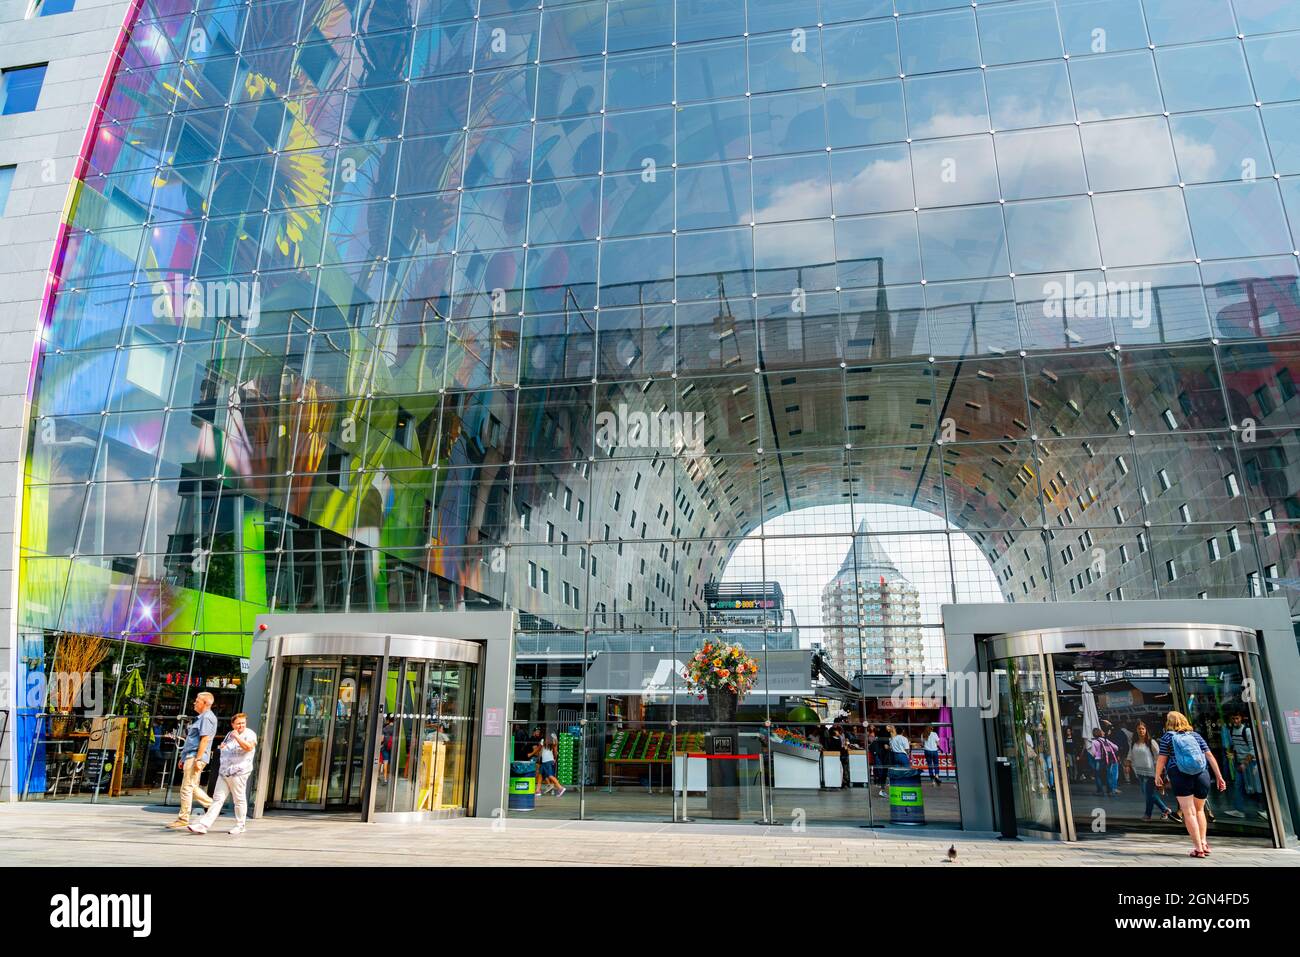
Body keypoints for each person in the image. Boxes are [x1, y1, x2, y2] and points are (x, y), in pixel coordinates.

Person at [1154, 710, 1227, 858]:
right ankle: (1204, 843)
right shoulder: (1195, 735)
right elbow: (1210, 756)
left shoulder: (1168, 737)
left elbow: (1162, 759)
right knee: (1200, 811)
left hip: (1180, 775)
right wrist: (1219, 777)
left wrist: (1157, 775)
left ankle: (1198, 849)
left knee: (1188, 812)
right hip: (1202, 774)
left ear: (1169, 723)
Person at [188, 713, 258, 836]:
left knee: (239, 799)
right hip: (224, 772)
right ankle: (203, 825)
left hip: (239, 773)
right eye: (238, 723)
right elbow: (225, 747)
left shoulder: (250, 734)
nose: (241, 725)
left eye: (243, 723)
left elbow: (248, 748)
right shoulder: (229, 734)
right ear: (233, 724)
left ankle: (240, 825)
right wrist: (223, 747)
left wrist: (237, 737)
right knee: (217, 799)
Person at [167, 692, 217, 829]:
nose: (194, 703)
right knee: (192, 786)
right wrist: (183, 757)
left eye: (197, 701)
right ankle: (213, 806)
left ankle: (183, 818)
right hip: (191, 755)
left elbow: (205, 739)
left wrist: (198, 758)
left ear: (205, 703)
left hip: (196, 756)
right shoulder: (201, 718)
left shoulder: (207, 718)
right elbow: (192, 740)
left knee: (187, 787)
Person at [1225, 713, 1266, 820]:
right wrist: (1232, 754)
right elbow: (1233, 745)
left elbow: (1253, 749)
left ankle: (1264, 810)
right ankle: (1239, 810)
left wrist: (1245, 763)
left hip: (1250, 763)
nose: (1235, 721)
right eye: (1233, 718)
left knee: (1257, 787)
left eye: (1237, 718)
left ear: (1241, 719)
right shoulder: (1231, 731)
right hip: (1240, 762)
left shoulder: (1246, 731)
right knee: (1238, 786)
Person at [1129, 720, 1171, 823]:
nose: (1141, 731)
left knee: (1148, 794)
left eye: (1143, 728)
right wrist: (1127, 762)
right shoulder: (1133, 742)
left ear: (1146, 730)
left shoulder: (1151, 742)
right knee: (1149, 793)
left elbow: (1159, 757)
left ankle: (1148, 815)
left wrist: (1158, 772)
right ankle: (1165, 810)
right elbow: (1130, 755)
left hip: (1151, 773)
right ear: (1136, 730)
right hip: (1139, 772)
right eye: (1139, 729)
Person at [1085, 727, 1120, 796]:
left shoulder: (1094, 742)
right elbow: (1116, 747)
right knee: (1108, 775)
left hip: (1098, 760)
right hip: (1107, 760)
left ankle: (1100, 791)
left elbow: (1093, 752)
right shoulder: (1105, 740)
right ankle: (1109, 791)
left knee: (1098, 776)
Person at [531, 732, 565, 797]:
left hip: (547, 761)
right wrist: (554, 759)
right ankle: (537, 791)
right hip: (546, 761)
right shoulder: (552, 743)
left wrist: (531, 753)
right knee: (540, 776)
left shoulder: (544, 741)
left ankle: (560, 788)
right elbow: (555, 752)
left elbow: (538, 748)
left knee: (550, 776)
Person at [379, 716, 395, 784]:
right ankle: (392, 778)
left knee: (385, 762)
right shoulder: (396, 728)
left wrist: (380, 744)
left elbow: (382, 739)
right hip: (393, 748)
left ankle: (385, 779)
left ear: (388, 720)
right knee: (391, 763)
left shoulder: (385, 728)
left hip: (385, 747)